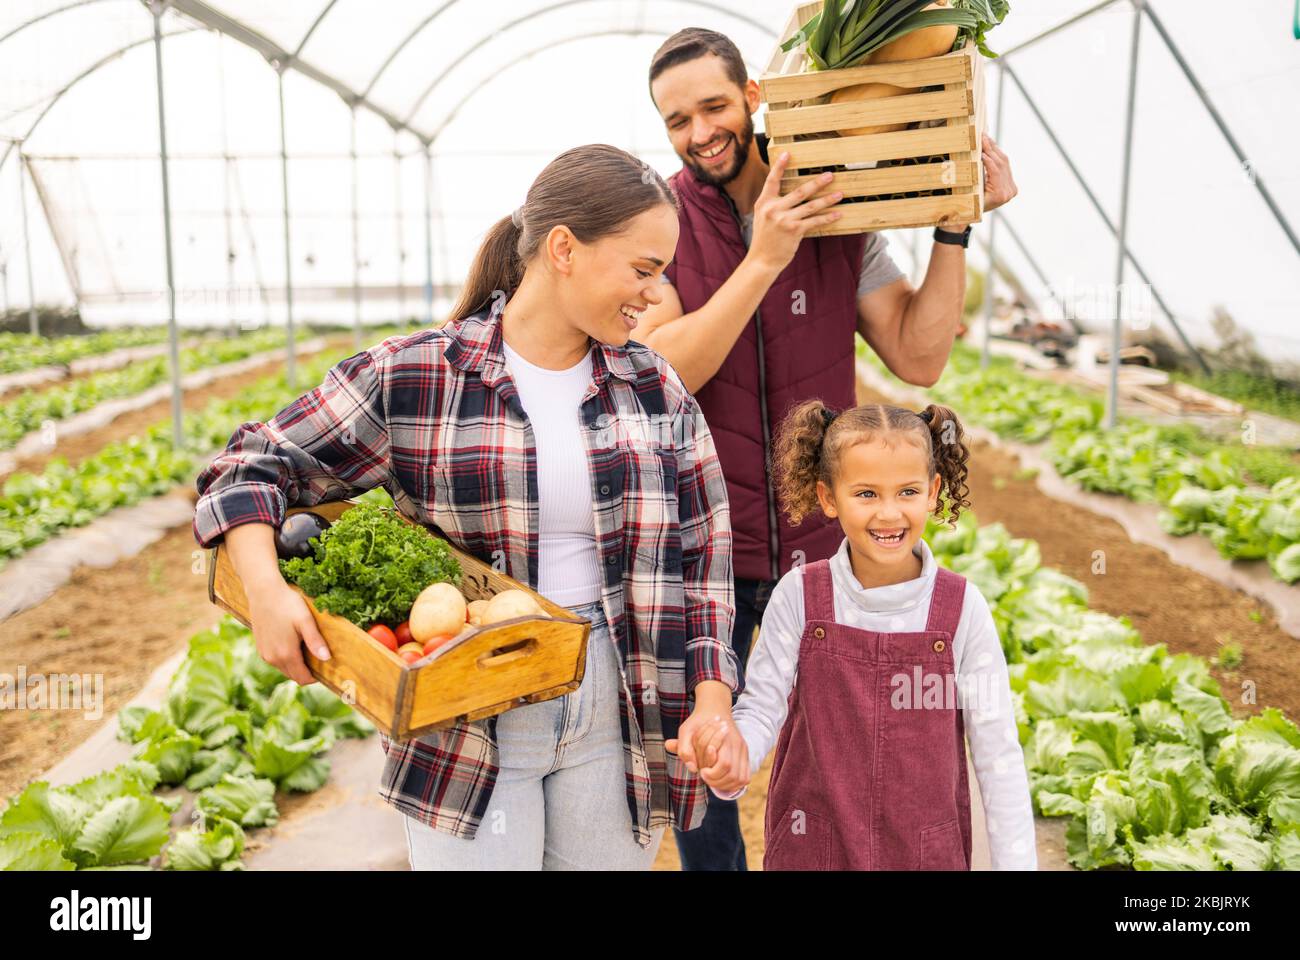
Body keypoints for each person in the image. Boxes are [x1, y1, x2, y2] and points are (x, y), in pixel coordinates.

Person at [192, 143, 740, 870]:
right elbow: (246, 467)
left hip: (617, 703)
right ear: (564, 249)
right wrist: (265, 591)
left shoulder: (654, 388)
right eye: (643, 269)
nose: (654, 292)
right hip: (466, 709)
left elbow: (704, 556)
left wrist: (711, 698)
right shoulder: (416, 374)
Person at [642, 26, 1020, 871]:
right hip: (706, 557)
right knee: (707, 789)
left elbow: (918, 355)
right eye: (676, 120)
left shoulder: (841, 208)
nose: (700, 131)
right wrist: (765, 258)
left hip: (825, 562)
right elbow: (663, 370)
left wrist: (955, 231)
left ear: (754, 98)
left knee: (846, 779)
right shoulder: (660, 225)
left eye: (713, 106)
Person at [676, 399, 1038, 870]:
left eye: (907, 492)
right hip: (812, 852)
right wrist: (731, 760)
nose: (889, 514)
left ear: (933, 492)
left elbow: (998, 756)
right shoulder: (800, 596)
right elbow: (762, 708)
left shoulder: (962, 609)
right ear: (828, 497)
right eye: (866, 494)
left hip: (925, 856)